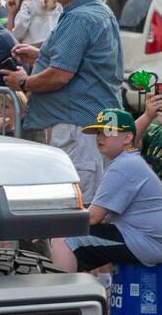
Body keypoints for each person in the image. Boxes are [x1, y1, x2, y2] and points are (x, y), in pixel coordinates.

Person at [1, 0, 122, 203]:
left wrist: (23, 83)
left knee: (78, 202)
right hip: (92, 117)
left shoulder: (79, 17)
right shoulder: (99, 10)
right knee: (92, 198)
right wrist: (40, 54)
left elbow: (59, 76)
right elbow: (81, 58)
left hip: (79, 122)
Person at [51, 108, 162, 272]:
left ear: (128, 137)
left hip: (148, 242)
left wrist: (52, 226)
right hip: (143, 238)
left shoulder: (124, 165)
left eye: (109, 131)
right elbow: (101, 219)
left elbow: (93, 217)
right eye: (98, 132)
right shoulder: (126, 161)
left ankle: (62, 295)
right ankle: (100, 288)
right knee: (89, 234)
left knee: (63, 239)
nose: (100, 137)